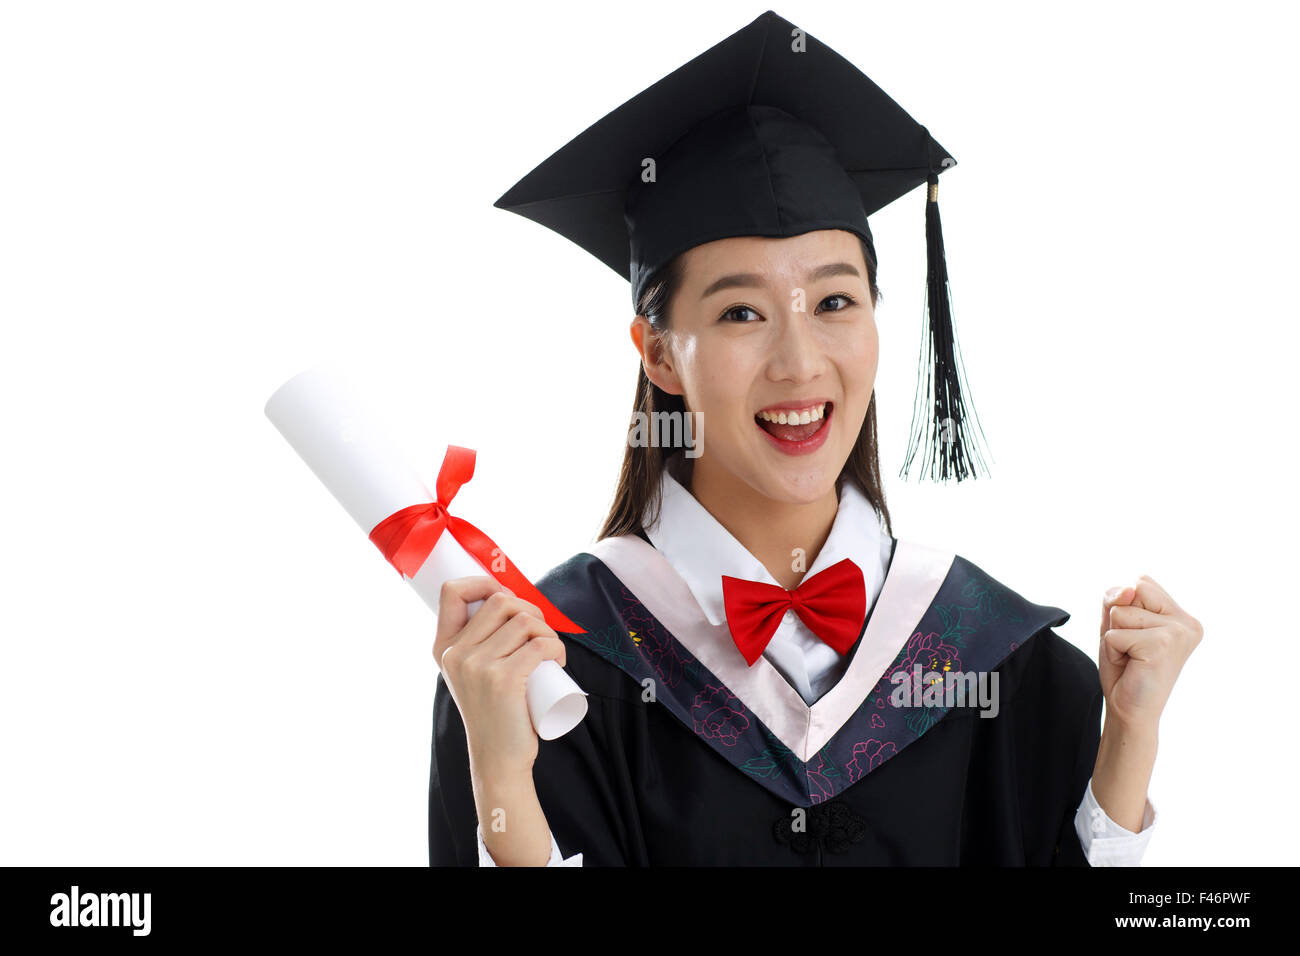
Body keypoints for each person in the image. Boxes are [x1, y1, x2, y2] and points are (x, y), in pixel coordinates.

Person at [427, 10, 1202, 866]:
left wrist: (1127, 742)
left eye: (835, 302)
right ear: (659, 355)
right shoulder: (546, 668)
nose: (800, 363)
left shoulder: (1007, 666)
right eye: (741, 313)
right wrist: (501, 776)